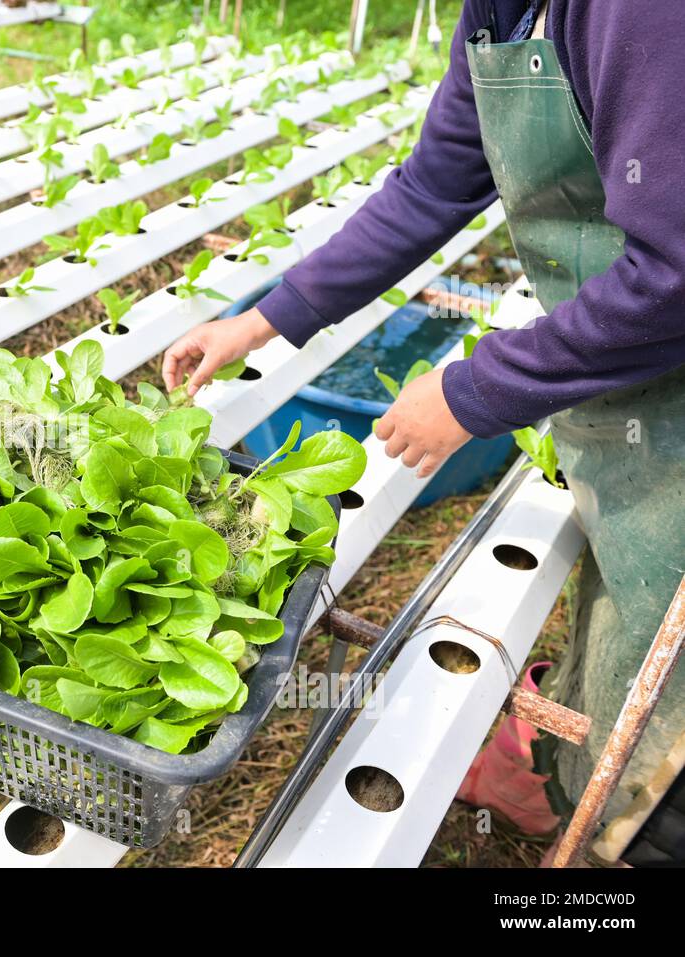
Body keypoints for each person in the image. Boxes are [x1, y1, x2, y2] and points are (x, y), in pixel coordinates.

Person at [163, 0, 685, 864]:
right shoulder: (498, 12)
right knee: (635, 614)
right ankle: (580, 783)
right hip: (638, 387)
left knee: (665, 771)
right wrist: (265, 320)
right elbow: (435, 183)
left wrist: (476, 390)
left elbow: (672, 271)